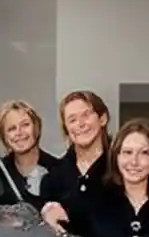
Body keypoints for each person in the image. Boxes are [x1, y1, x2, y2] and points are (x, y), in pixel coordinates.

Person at [39, 90, 112, 228]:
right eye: (72, 120)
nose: (80, 124)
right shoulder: (53, 177)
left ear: (103, 118)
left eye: (86, 115)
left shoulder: (123, 168)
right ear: (66, 129)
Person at [0, 99, 62, 203]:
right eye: (12, 128)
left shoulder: (59, 169)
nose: (19, 132)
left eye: (25, 125)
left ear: (36, 128)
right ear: (4, 137)